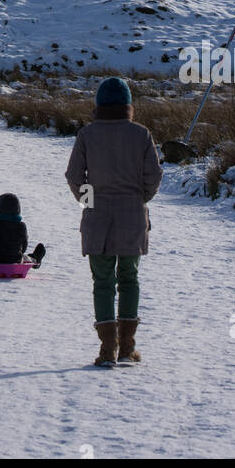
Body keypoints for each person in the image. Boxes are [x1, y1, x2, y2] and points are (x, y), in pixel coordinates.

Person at [65, 76, 163, 369]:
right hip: (132, 217)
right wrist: (138, 199)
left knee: (103, 282)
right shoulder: (141, 134)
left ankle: (108, 349)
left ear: (98, 104)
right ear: (128, 104)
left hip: (97, 220)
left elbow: (74, 176)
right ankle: (127, 347)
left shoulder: (86, 135)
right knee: (130, 279)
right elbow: (154, 177)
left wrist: (90, 202)